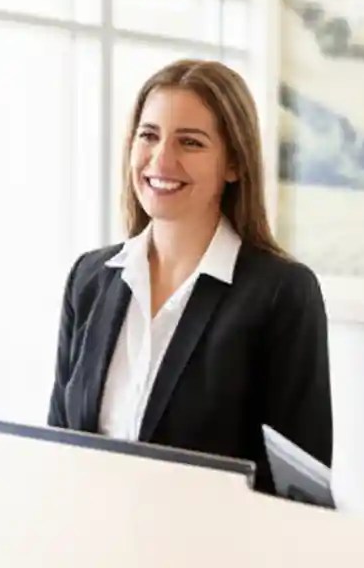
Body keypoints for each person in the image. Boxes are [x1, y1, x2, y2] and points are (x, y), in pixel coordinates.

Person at [47, 59, 331, 494]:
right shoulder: (89, 280)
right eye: (149, 136)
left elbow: (299, 492)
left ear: (234, 163)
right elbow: (56, 450)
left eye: (190, 143)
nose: (162, 159)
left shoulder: (281, 294)